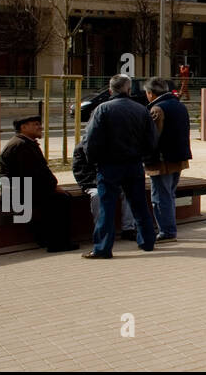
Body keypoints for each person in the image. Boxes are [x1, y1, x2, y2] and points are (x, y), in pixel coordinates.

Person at [80, 75, 158, 259]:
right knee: (139, 204)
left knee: (107, 207)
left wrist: (93, 160)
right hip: (134, 164)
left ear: (110, 90)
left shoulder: (102, 109)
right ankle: (147, 241)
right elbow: (151, 140)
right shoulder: (141, 110)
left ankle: (103, 248)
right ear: (129, 90)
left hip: (109, 165)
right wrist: (142, 156)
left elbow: (91, 140)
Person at [0, 115, 78, 252]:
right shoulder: (20, 145)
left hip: (27, 188)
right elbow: (35, 173)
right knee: (60, 200)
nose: (40, 127)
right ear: (23, 127)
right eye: (35, 124)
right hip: (21, 191)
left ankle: (49, 240)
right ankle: (56, 243)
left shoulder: (25, 143)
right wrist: (53, 187)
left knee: (61, 198)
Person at [145, 76, 192, 243]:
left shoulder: (157, 109)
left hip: (162, 160)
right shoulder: (179, 106)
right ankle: (169, 228)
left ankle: (167, 231)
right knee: (169, 194)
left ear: (150, 93)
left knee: (160, 196)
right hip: (178, 157)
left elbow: (152, 138)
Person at [72, 139, 135, 242]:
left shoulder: (110, 145)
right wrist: (99, 183)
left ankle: (128, 228)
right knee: (97, 195)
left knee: (128, 191)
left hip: (109, 181)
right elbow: (81, 172)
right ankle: (101, 230)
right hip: (92, 183)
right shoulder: (81, 148)